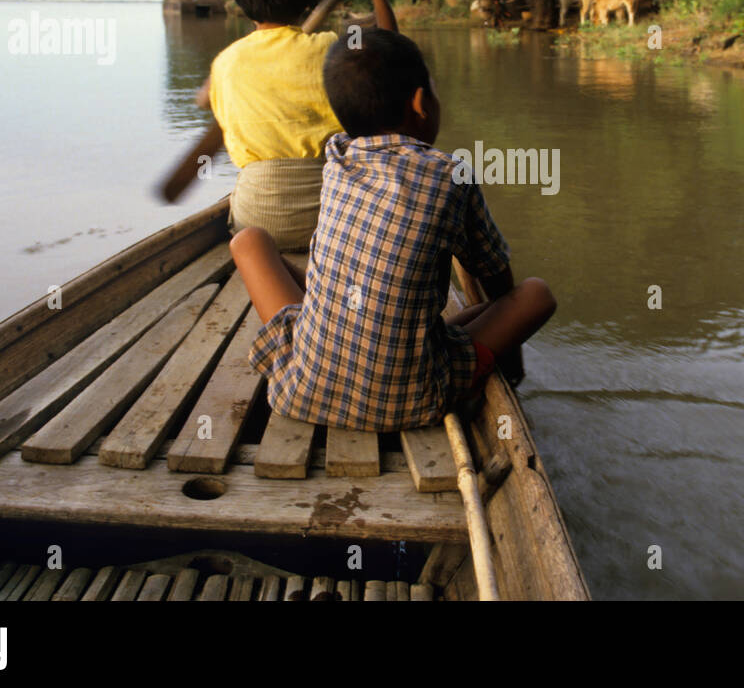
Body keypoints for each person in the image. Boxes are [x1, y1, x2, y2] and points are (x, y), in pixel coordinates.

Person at [229, 29, 556, 432]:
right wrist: (510, 355)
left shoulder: (336, 158)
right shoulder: (452, 175)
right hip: (412, 403)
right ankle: (462, 363)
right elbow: (496, 278)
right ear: (420, 103)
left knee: (248, 240)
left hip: (298, 390)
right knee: (536, 293)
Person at [196, 0, 396, 251]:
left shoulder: (225, 63)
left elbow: (202, 100)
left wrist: (215, 79)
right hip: (332, 219)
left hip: (255, 221)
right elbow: (390, 48)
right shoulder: (330, 49)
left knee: (245, 237)